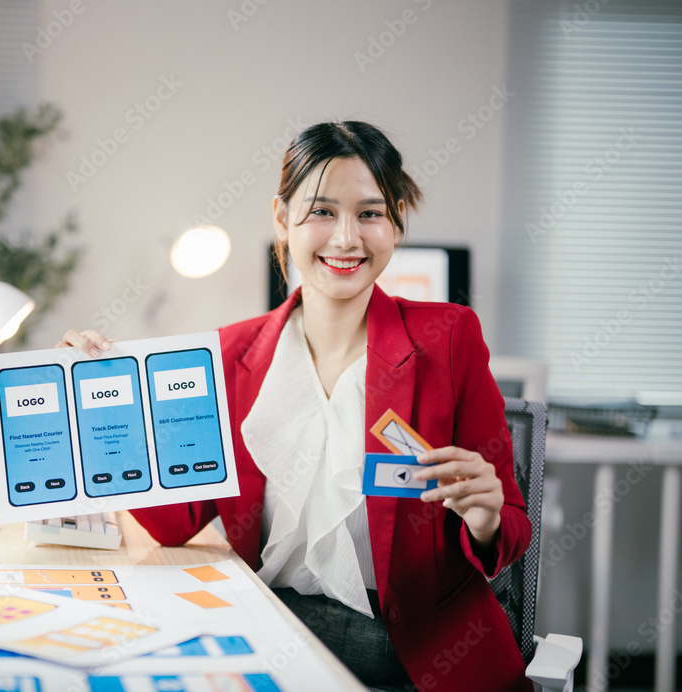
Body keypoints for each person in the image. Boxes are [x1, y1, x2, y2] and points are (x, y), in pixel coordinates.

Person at [58, 121, 532, 692]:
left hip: (410, 648)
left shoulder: (448, 338)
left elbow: (509, 527)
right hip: (272, 623)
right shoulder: (229, 354)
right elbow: (172, 524)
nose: (346, 239)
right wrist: (98, 404)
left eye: (371, 213)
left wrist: (483, 519)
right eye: (323, 212)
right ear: (282, 217)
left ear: (397, 221)